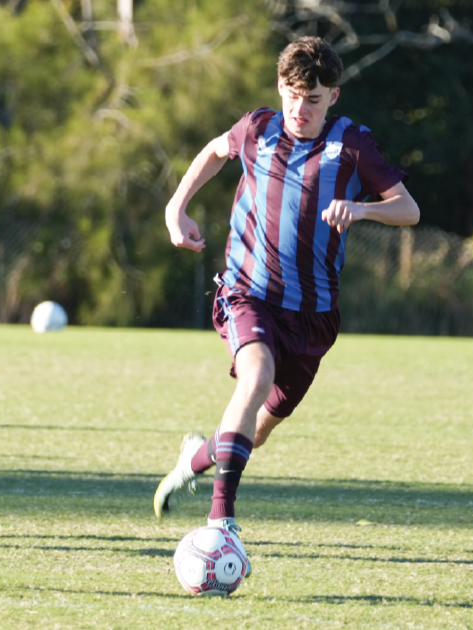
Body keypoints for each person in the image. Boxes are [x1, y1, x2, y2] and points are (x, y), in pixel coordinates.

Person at [152, 37, 420, 544]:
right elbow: (215, 151)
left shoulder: (353, 145)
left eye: (313, 99)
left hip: (313, 316)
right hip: (247, 293)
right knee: (254, 379)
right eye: (293, 96)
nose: (300, 109)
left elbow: (409, 209)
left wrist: (362, 209)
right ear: (280, 87)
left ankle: (195, 458)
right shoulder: (258, 127)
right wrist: (175, 208)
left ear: (333, 96)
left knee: (256, 431)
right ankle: (220, 524)